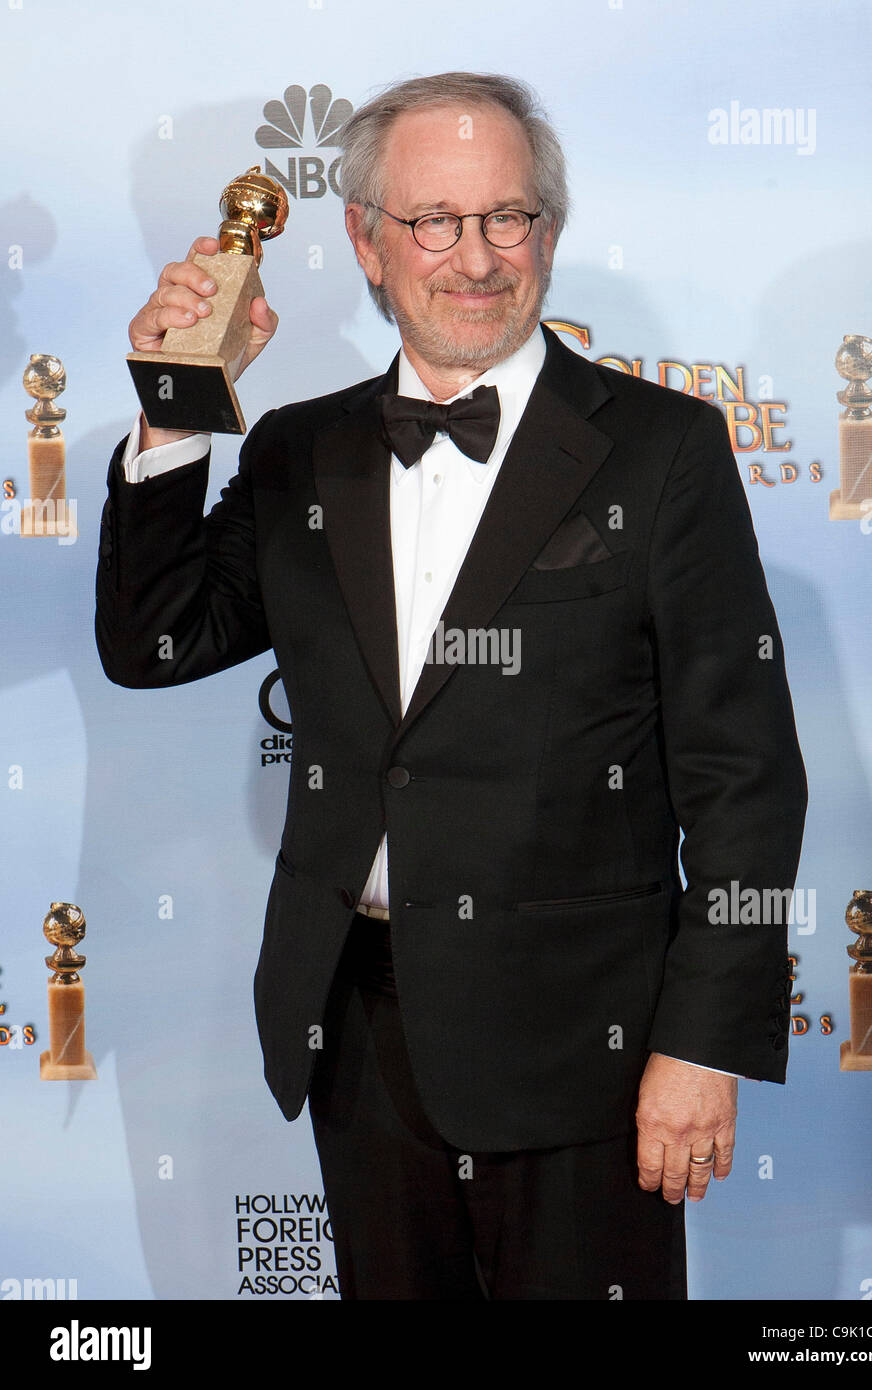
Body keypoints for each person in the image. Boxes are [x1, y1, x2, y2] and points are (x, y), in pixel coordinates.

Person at [96, 71, 807, 1300]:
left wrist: (702, 1042)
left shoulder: (665, 450)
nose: (473, 259)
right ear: (368, 243)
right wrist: (175, 399)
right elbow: (152, 643)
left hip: (589, 1042)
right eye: (433, 221)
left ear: (547, 232)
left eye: (506, 219)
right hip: (358, 1032)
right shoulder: (296, 450)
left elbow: (744, 777)